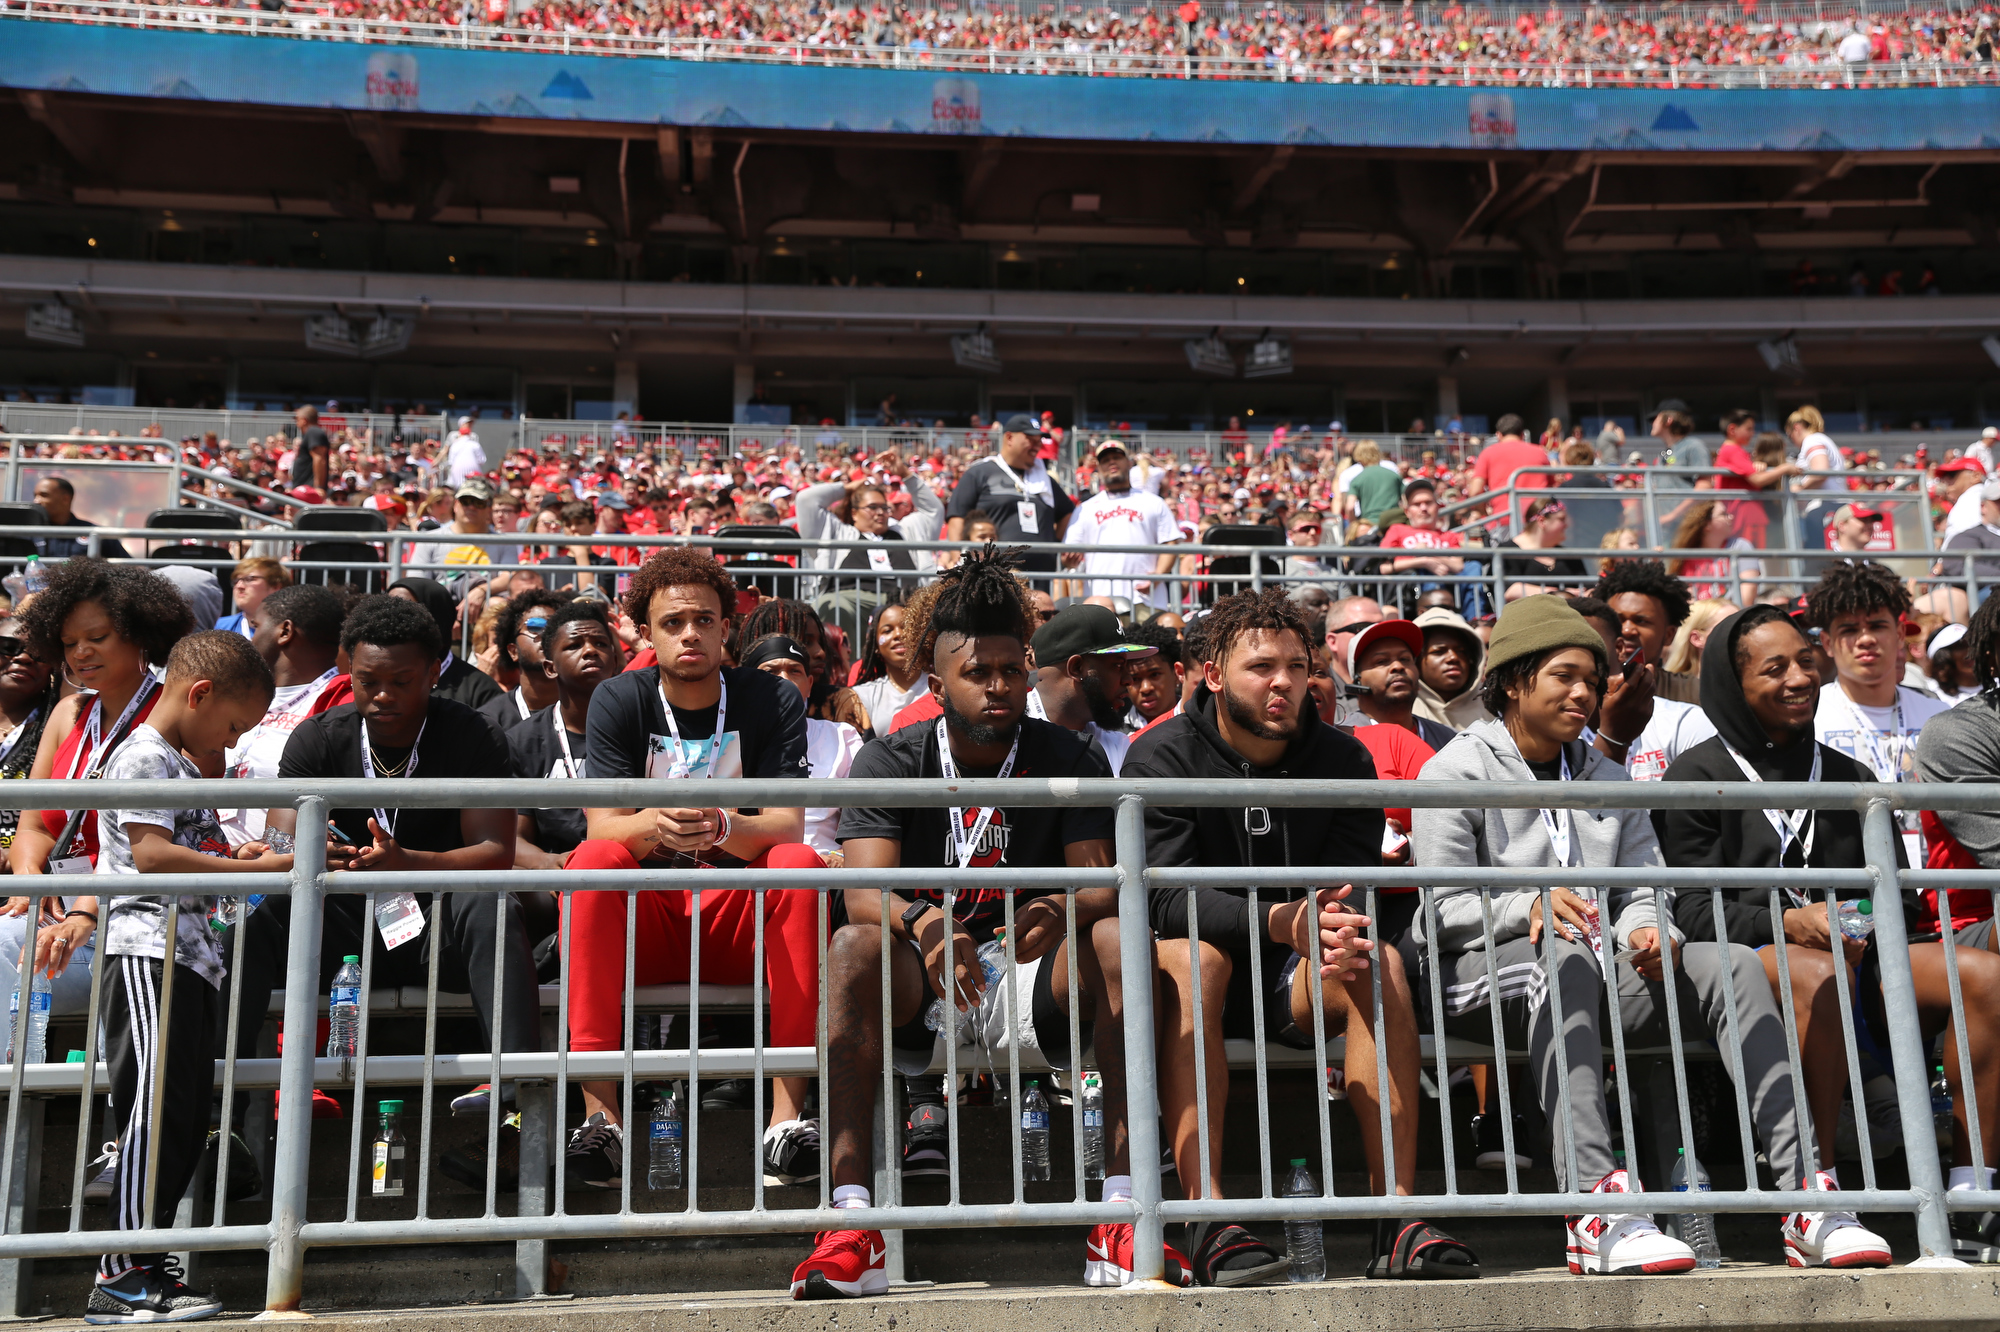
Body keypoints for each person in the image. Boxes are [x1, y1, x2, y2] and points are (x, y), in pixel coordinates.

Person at [1412, 595, 1834, 1274]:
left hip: (1592, 969)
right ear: (1514, 679)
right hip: (1477, 976)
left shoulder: (1609, 777)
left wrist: (1648, 930)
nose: (1584, 693)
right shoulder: (1455, 770)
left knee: (1731, 962)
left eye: (1592, 678)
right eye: (1564, 676)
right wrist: (1529, 907)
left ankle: (1807, 1196)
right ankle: (1597, 1210)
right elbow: (1440, 910)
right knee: (1561, 956)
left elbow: (1644, 888)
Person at [790, 546, 1152, 1299]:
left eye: (1011, 672)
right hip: (922, 981)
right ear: (935, 681)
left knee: (1116, 936)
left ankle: (1122, 1210)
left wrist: (1059, 906)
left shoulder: (1066, 753)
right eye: (977, 674)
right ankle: (851, 1222)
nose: (998, 688)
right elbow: (863, 891)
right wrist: (922, 920)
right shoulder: (892, 759)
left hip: (1026, 976)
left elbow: (1098, 883)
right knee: (854, 944)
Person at [1127, 588, 1478, 1283]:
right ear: (1213, 674)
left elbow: (1346, 889)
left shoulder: (1343, 760)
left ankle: (1397, 1216)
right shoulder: (1159, 755)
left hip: (1293, 974)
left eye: (1296, 664)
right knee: (1194, 957)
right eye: (1261, 666)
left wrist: (1336, 931)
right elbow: (1164, 898)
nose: (1283, 680)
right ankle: (1204, 1214)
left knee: (1375, 960)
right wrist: (1277, 919)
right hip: (1196, 974)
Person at [1658, 604, 1977, 1265]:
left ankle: (1975, 1191)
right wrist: (1789, 923)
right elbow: (1690, 909)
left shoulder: (1850, 778)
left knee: (1985, 978)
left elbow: (1897, 898)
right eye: (1775, 668)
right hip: (1749, 954)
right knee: (1813, 970)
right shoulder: (1695, 775)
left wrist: (1852, 923)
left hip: (1855, 948)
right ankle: (1817, 1195)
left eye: (1806, 661)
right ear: (1732, 682)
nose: (1800, 678)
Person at [236, 595, 537, 1151]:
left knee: (492, 902)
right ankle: (220, 1106)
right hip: (344, 926)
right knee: (264, 910)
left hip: (437, 922)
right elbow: (280, 835)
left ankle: (513, 1087)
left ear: (431, 674)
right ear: (348, 670)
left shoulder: (471, 733)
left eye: (400, 681)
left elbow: (495, 852)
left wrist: (407, 862)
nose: (382, 695)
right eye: (367, 680)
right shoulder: (320, 736)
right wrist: (310, 848)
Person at [560, 550, 821, 1191]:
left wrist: (724, 826)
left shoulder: (771, 698)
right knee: (593, 862)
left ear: (727, 627)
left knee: (799, 861)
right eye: (672, 622)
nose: (690, 635)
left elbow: (785, 826)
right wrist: (658, 824)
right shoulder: (618, 698)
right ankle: (602, 1119)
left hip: (738, 914)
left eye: (704, 620)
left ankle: (788, 1119)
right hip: (651, 915)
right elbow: (602, 828)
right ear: (644, 633)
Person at [84, 631, 288, 1325]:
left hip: (189, 954)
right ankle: (121, 1272)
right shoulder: (143, 752)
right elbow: (152, 857)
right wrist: (255, 870)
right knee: (155, 1109)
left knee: (183, 1113)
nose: (231, 746)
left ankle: (145, 1259)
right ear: (199, 695)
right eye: (232, 726)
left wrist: (242, 852)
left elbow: (187, 848)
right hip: (148, 952)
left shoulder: (174, 760)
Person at [9, 560, 192, 888]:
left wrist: (81, 907)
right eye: (68, 643)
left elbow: (160, 849)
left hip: (135, 904)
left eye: (97, 636)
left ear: (140, 635)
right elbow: (33, 827)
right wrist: (30, 887)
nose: (80, 652)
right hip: (57, 896)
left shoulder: (181, 717)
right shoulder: (67, 712)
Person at [1807, 561, 1948, 868]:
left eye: (1877, 626)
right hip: (1851, 890)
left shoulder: (1940, 716)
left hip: (1937, 894)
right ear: (1828, 643)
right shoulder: (1808, 719)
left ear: (1899, 635)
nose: (1865, 638)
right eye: (1849, 629)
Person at [218, 584, 348, 848]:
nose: (249, 639)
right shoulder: (241, 693)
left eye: (255, 627)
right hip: (221, 865)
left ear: (285, 631)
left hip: (281, 875)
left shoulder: (342, 703)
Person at [509, 598, 618, 872]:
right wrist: (547, 862)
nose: (591, 651)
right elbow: (514, 837)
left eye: (601, 644)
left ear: (615, 661)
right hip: (554, 876)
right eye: (574, 645)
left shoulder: (641, 728)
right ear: (550, 667)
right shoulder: (522, 740)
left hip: (624, 871)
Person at [796, 448, 944, 643]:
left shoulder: (907, 531)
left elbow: (933, 510)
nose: (880, 513)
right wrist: (848, 487)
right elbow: (806, 500)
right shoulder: (838, 533)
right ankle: (847, 668)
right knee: (830, 605)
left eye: (884, 507)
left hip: (906, 599)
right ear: (855, 513)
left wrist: (906, 474)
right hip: (852, 598)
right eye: (872, 508)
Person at [742, 634, 864, 862]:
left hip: (829, 872)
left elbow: (864, 822)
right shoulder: (732, 740)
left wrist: (840, 858)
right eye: (771, 671)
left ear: (809, 684)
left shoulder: (841, 737)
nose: (785, 680)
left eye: (794, 671)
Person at [1567, 595, 1714, 779]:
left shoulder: (1684, 722)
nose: (1572, 658)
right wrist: (1613, 738)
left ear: (1619, 648)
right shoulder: (1545, 735)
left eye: (1586, 645)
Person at [1028, 604, 1155, 775]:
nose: (1128, 680)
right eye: (1118, 665)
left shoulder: (1119, 745)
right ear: (1077, 668)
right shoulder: (1008, 734)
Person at [945, 415, 1074, 580]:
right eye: (1030, 439)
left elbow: (1068, 513)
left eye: (1039, 440)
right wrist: (958, 559)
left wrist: (1052, 543)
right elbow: (958, 517)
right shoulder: (979, 473)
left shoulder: (1044, 480)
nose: (1037, 446)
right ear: (1009, 437)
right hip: (993, 578)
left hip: (1042, 578)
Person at [1061, 441, 1182, 609]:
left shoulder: (1154, 502)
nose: (1111, 462)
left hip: (1145, 599)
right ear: (1099, 468)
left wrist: (1158, 576)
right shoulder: (1085, 509)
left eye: (1117, 457)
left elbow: (1170, 543)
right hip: (1100, 601)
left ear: (1129, 463)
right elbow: (1069, 553)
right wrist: (1069, 560)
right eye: (1105, 460)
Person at [387, 577, 504, 711]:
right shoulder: (376, 680)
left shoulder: (480, 689)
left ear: (437, 617)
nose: (393, 620)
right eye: (387, 608)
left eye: (407, 611)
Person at [1591, 560, 1698, 706]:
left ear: (1669, 635)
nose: (1627, 630)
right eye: (1617, 619)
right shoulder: (1581, 690)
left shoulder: (1694, 693)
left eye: (1641, 621)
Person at [1346, 619, 1455, 751]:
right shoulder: (1344, 739)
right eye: (1381, 661)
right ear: (1357, 680)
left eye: (1405, 659)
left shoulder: (1450, 740)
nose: (1398, 666)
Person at [477, 590, 571, 734]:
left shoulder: (589, 713)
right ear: (513, 651)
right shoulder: (489, 720)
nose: (546, 634)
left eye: (554, 627)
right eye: (535, 626)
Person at [1378, 479, 1464, 614]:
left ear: (1437, 506)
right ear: (1407, 511)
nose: (1423, 508)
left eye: (1428, 503)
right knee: (1427, 573)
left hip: (1448, 585)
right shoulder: (1397, 530)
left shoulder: (1449, 535)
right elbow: (1384, 567)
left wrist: (1429, 553)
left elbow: (1459, 566)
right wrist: (1423, 562)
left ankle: (1474, 620)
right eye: (1417, 504)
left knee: (1474, 567)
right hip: (1412, 589)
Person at [850, 597, 925, 734]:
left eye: (905, 627)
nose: (898, 635)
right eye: (887, 630)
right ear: (876, 645)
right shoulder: (862, 697)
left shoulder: (941, 688)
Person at [1666, 500, 1760, 606]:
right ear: (1707, 525)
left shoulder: (1740, 546)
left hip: (1733, 615)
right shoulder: (1687, 556)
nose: (1731, 517)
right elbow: (1685, 599)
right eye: (1723, 514)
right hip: (1701, 617)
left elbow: (1747, 594)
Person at [1411, 606, 1489, 730]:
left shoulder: (1491, 704)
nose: (1453, 658)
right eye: (1439, 651)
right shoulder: (1402, 709)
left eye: (1461, 651)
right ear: (1416, 660)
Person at [1466, 414, 1551, 528]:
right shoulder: (1540, 452)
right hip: (1539, 521)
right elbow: (1553, 485)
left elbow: (1475, 492)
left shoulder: (1488, 453)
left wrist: (1485, 515)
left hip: (1504, 520)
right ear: (1522, 434)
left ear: (1498, 435)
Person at [1497, 498, 1587, 601]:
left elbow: (1585, 589)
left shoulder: (1568, 556)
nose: (1567, 525)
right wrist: (1562, 594)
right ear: (1542, 521)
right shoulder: (1508, 551)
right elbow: (1510, 591)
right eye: (1561, 519)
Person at [1787, 407, 1846, 553]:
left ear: (1797, 428)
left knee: (1817, 562)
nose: (1792, 441)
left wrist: (1799, 489)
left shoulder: (1812, 440)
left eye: (1790, 435)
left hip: (1823, 508)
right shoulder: (1823, 440)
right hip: (1834, 505)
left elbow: (1820, 472)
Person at [31, 476, 130, 560]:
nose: (36, 501)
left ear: (65, 499)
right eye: (35, 496)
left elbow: (132, 568)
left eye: (44, 495)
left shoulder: (96, 533)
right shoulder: (29, 533)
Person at [1661, 597, 1737, 686]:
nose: (1742, 635)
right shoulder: (1668, 690)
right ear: (1696, 638)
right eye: (1730, 628)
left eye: (1745, 627)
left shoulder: (1750, 688)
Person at [1123, 619, 1184, 727]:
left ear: (1176, 674)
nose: (1146, 688)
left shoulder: (1201, 724)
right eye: (1135, 679)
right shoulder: (1114, 734)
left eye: (1155, 675)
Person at [214, 558, 290, 637]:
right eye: (236, 581)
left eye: (249, 579)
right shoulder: (219, 628)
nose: (239, 586)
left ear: (275, 587)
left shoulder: (291, 630)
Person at [1324, 596, 1386, 685]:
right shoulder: (1318, 692)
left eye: (1381, 629)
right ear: (1332, 641)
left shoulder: (1399, 690)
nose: (1375, 636)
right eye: (1361, 628)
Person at [1940, 457, 1990, 541]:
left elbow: (1966, 543)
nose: (1946, 479)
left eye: (1952, 474)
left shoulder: (1971, 499)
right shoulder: (1975, 498)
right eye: (1944, 476)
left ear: (1976, 476)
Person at [291, 405, 331, 492]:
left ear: (304, 420)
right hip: (303, 488)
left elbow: (319, 459)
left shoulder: (314, 432)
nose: (296, 422)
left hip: (309, 490)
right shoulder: (311, 433)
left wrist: (318, 487)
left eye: (297, 419)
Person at [445, 415, 488, 489]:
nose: (469, 425)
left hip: (457, 471)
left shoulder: (474, 436)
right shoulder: (453, 435)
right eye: (467, 423)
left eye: (470, 423)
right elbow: (482, 460)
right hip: (471, 472)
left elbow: (451, 461)